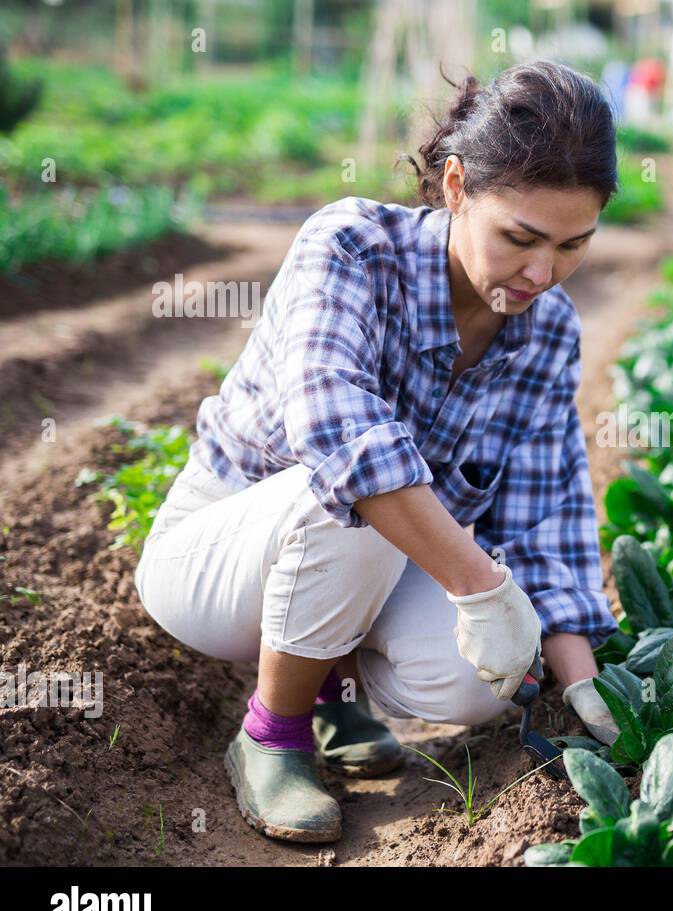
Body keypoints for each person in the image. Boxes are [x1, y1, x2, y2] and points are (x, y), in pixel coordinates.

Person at [132, 60, 622, 844]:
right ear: (457, 186)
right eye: (520, 238)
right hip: (219, 562)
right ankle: (272, 734)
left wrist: (586, 683)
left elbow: (546, 510)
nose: (542, 272)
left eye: (573, 245)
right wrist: (480, 586)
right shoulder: (353, 244)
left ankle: (331, 685)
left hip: (367, 568)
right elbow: (339, 435)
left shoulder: (548, 329)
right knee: (360, 496)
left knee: (477, 679)